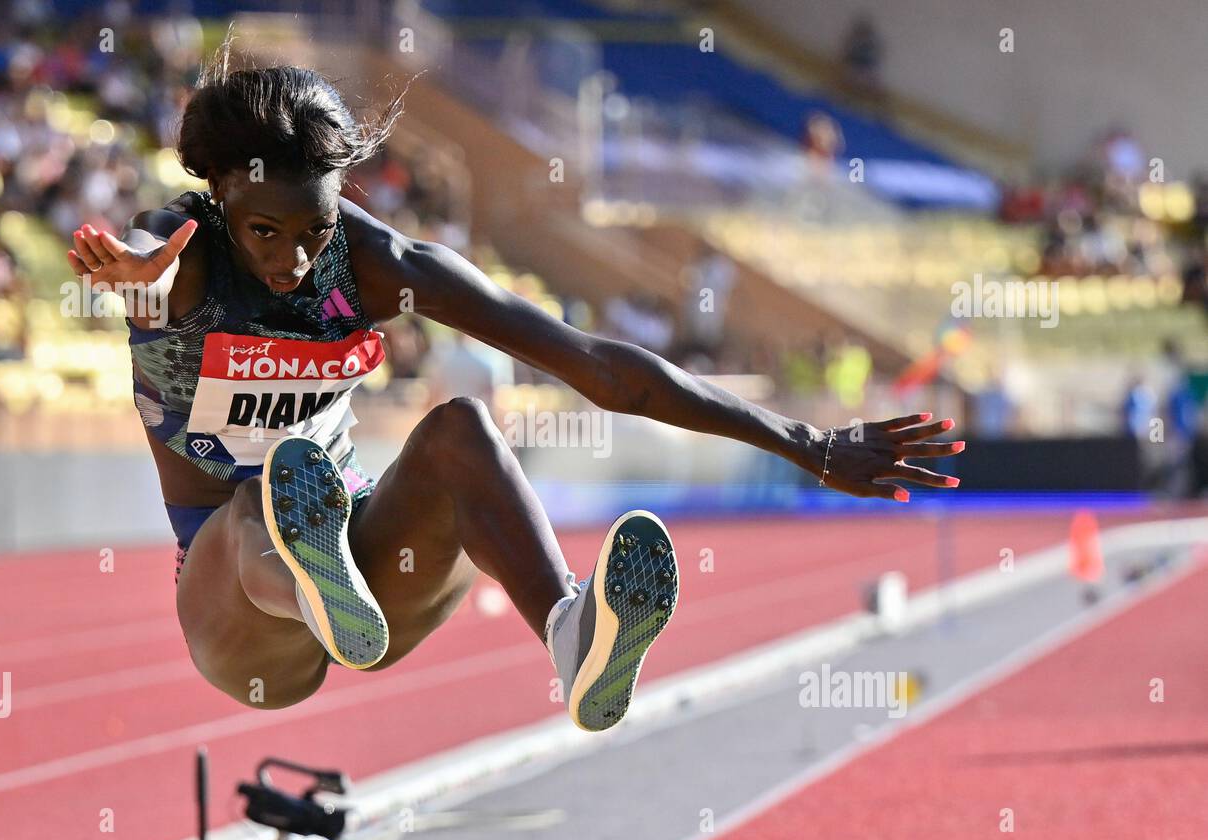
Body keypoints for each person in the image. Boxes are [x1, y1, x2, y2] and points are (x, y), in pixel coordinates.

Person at [65, 53, 964, 733]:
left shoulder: (380, 267)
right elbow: (156, 244)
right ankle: (309, 581)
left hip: (372, 579)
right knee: (270, 489)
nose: (295, 260)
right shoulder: (178, 259)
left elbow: (598, 365)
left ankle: (572, 635)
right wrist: (140, 273)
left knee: (461, 431)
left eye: (317, 228)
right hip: (239, 611)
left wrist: (809, 444)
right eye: (265, 231)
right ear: (220, 199)